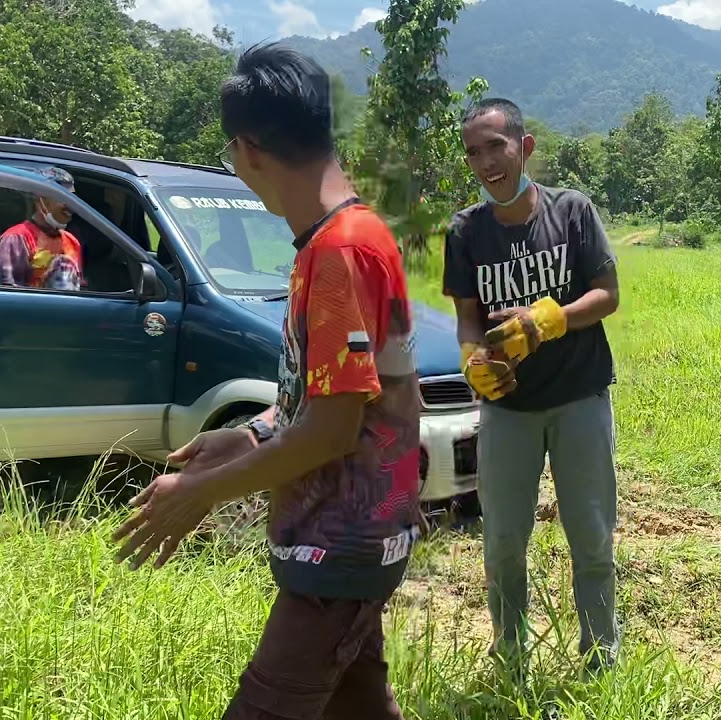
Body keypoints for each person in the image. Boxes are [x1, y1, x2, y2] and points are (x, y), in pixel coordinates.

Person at [111, 43, 420, 720]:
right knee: (359, 705)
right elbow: (331, 403)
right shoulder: (345, 237)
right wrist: (248, 435)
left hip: (341, 543)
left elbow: (335, 429)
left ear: (247, 150)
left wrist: (198, 494)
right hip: (356, 534)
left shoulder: (341, 251)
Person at [443, 97, 622, 675]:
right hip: (507, 409)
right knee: (501, 542)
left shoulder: (572, 212)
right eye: (473, 151)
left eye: (495, 146)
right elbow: (469, 316)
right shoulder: (466, 231)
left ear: (525, 146)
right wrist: (474, 362)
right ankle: (511, 655)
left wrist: (546, 321)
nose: (485, 162)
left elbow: (607, 294)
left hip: (579, 400)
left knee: (591, 537)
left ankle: (600, 659)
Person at [0, 166, 84, 291]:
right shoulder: (16, 239)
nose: (69, 205)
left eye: (71, 198)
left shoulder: (72, 242)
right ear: (39, 199)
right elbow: (10, 295)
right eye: (61, 197)